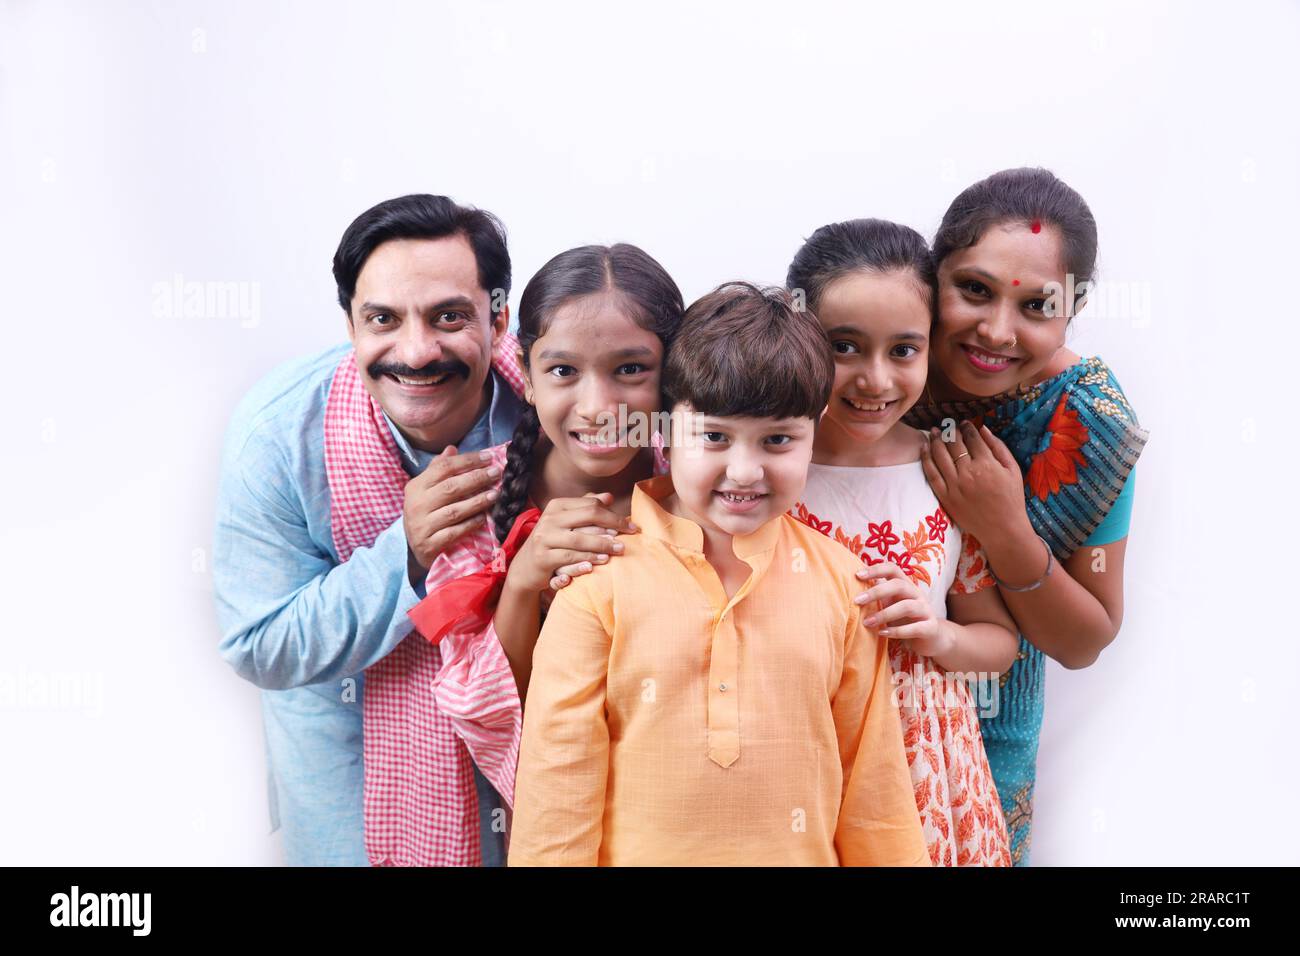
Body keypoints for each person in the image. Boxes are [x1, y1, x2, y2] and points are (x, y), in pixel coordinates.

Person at [507, 282, 930, 866]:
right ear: (666, 428)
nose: (745, 470)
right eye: (713, 436)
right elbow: (556, 795)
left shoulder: (845, 586)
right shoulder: (596, 581)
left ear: (816, 430)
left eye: (778, 439)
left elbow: (874, 796)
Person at [213, 194, 526, 866]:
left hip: (530, 797)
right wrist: (405, 555)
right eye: (383, 319)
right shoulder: (275, 436)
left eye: (449, 317)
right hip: (349, 807)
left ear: (499, 319)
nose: (416, 351)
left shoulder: (560, 402)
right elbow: (258, 644)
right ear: (351, 324)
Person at [369, 243, 682, 852]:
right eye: (564, 371)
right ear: (528, 376)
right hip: (557, 828)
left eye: (631, 369)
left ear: (673, 372)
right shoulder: (474, 505)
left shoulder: (703, 484)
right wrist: (523, 581)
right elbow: (490, 710)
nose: (599, 407)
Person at [905, 167, 1149, 864]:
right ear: (933, 277)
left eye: (1036, 307)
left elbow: (1085, 640)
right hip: (834, 700)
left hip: (985, 737)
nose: (996, 331)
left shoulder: (1089, 423)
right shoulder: (879, 366)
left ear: (1070, 313)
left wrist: (1005, 530)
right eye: (973, 291)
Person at [786, 217, 1018, 866]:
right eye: (845, 346)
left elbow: (998, 646)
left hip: (930, 768)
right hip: (808, 759)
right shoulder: (766, 474)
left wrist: (938, 636)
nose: (875, 379)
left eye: (903, 350)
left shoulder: (945, 470)